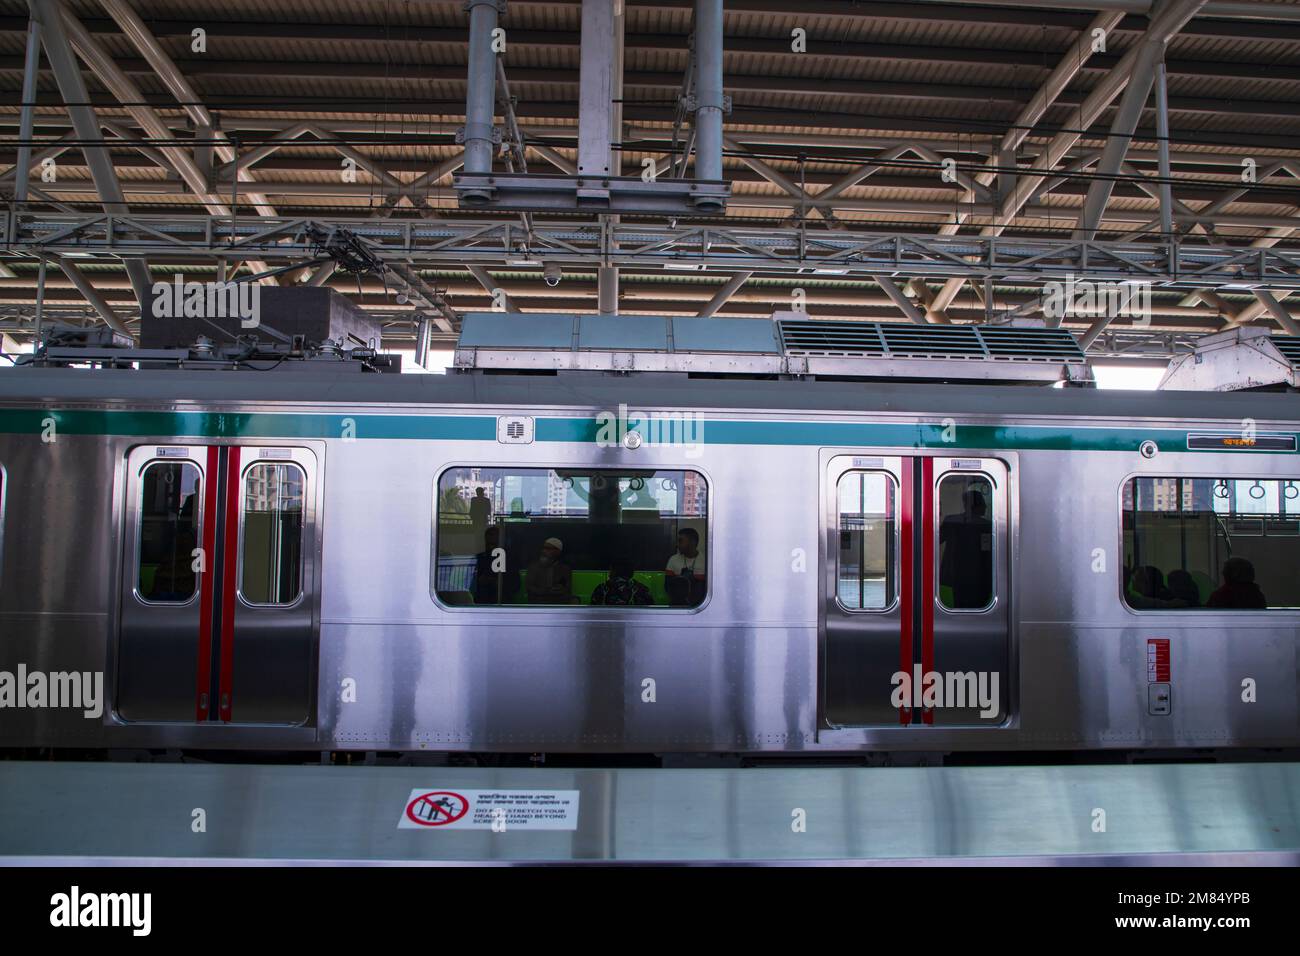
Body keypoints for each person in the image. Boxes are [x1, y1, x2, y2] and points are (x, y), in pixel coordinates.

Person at [938, 488, 992, 609]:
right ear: (977, 505)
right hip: (980, 574)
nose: (985, 507)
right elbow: (988, 551)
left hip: (956, 572)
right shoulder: (986, 526)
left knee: (959, 604)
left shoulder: (951, 521)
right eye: (983, 503)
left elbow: (938, 539)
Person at [473, 525, 520, 605]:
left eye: (494, 536)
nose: (491, 538)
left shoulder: (509, 559)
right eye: (489, 536)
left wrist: (499, 583)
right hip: (482, 603)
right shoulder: (479, 559)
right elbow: (470, 584)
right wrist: (479, 581)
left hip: (503, 601)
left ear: (501, 539)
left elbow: (515, 584)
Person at [665, 528, 706, 607]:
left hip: (701, 606)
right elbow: (667, 587)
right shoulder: (673, 560)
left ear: (692, 542)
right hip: (678, 606)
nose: (677, 544)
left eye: (680, 541)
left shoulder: (705, 561)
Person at [526, 537, 573, 604]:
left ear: (558, 551)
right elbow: (529, 588)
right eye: (544, 548)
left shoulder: (564, 569)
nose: (544, 551)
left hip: (557, 605)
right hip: (537, 605)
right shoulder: (534, 567)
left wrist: (552, 591)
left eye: (548, 548)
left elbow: (564, 589)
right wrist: (546, 591)